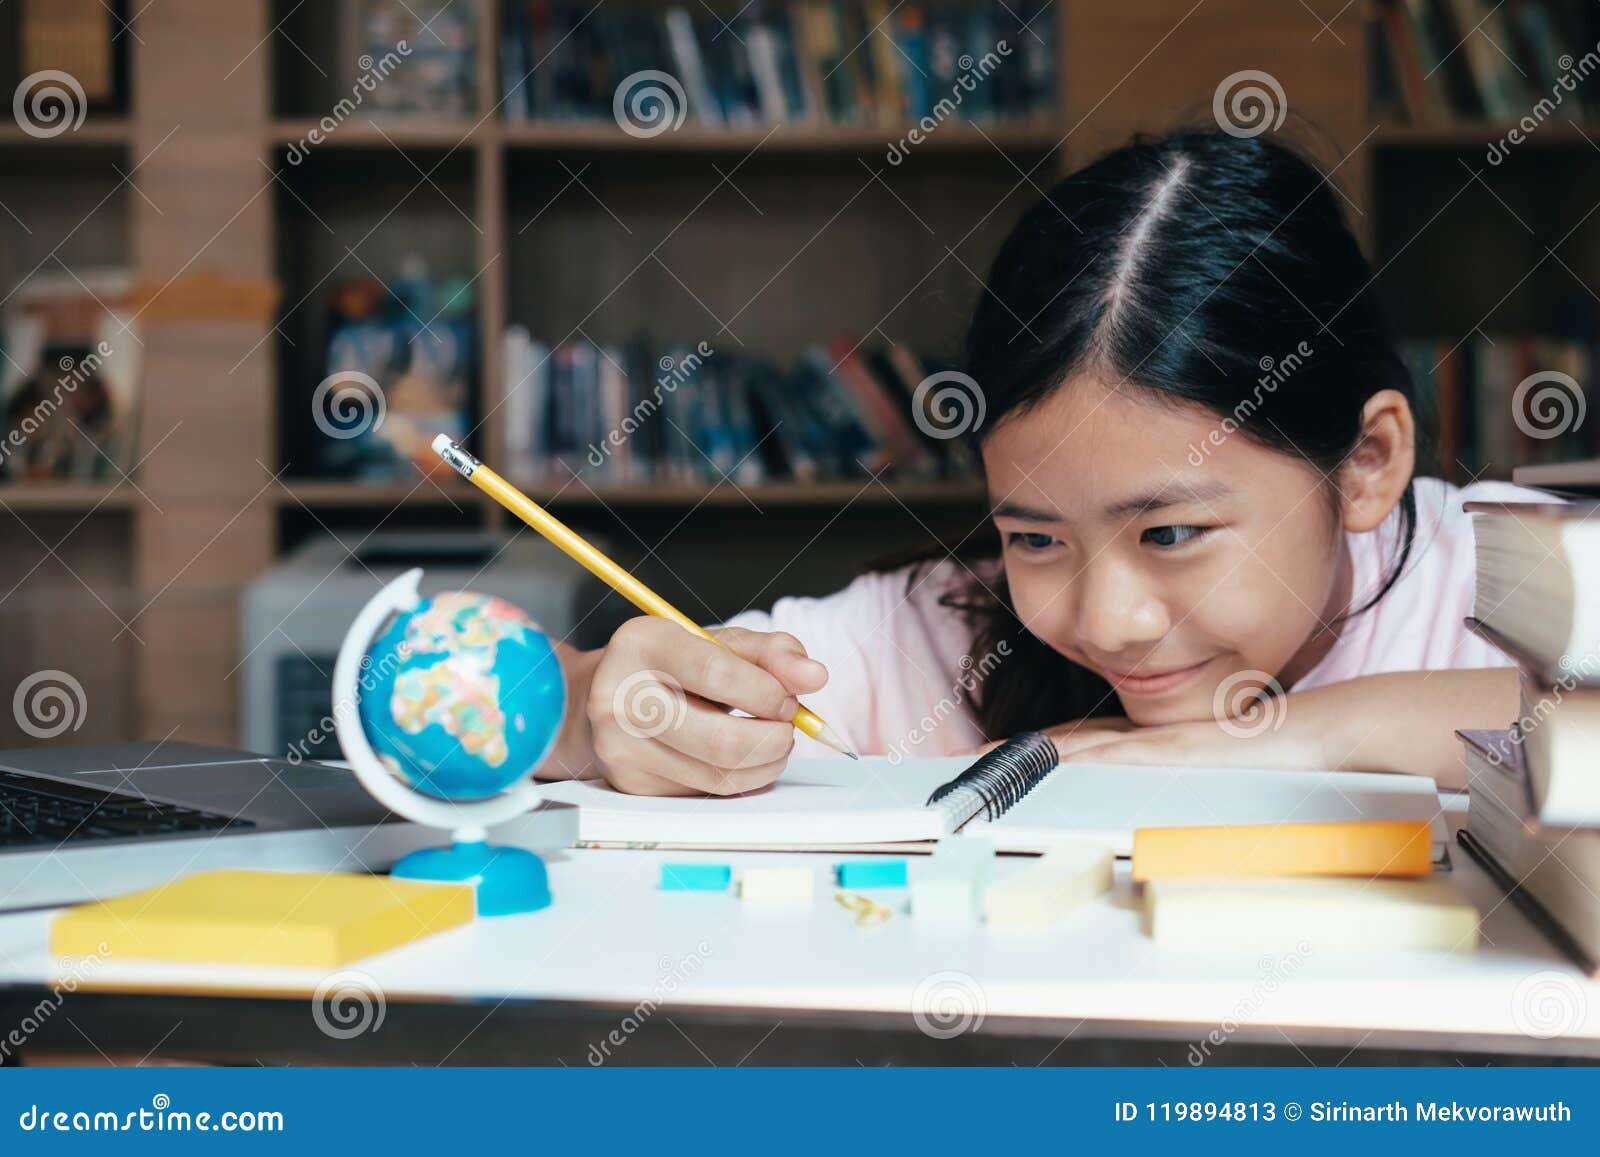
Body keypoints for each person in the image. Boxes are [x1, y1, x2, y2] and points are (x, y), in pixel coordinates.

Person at [539, 128, 1540, 796]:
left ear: (1366, 462)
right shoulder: (940, 630)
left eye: (1171, 531)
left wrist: (1277, 739)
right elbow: (516, 687)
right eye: (1034, 534)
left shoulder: (1520, 574)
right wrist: (588, 711)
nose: (1106, 621)